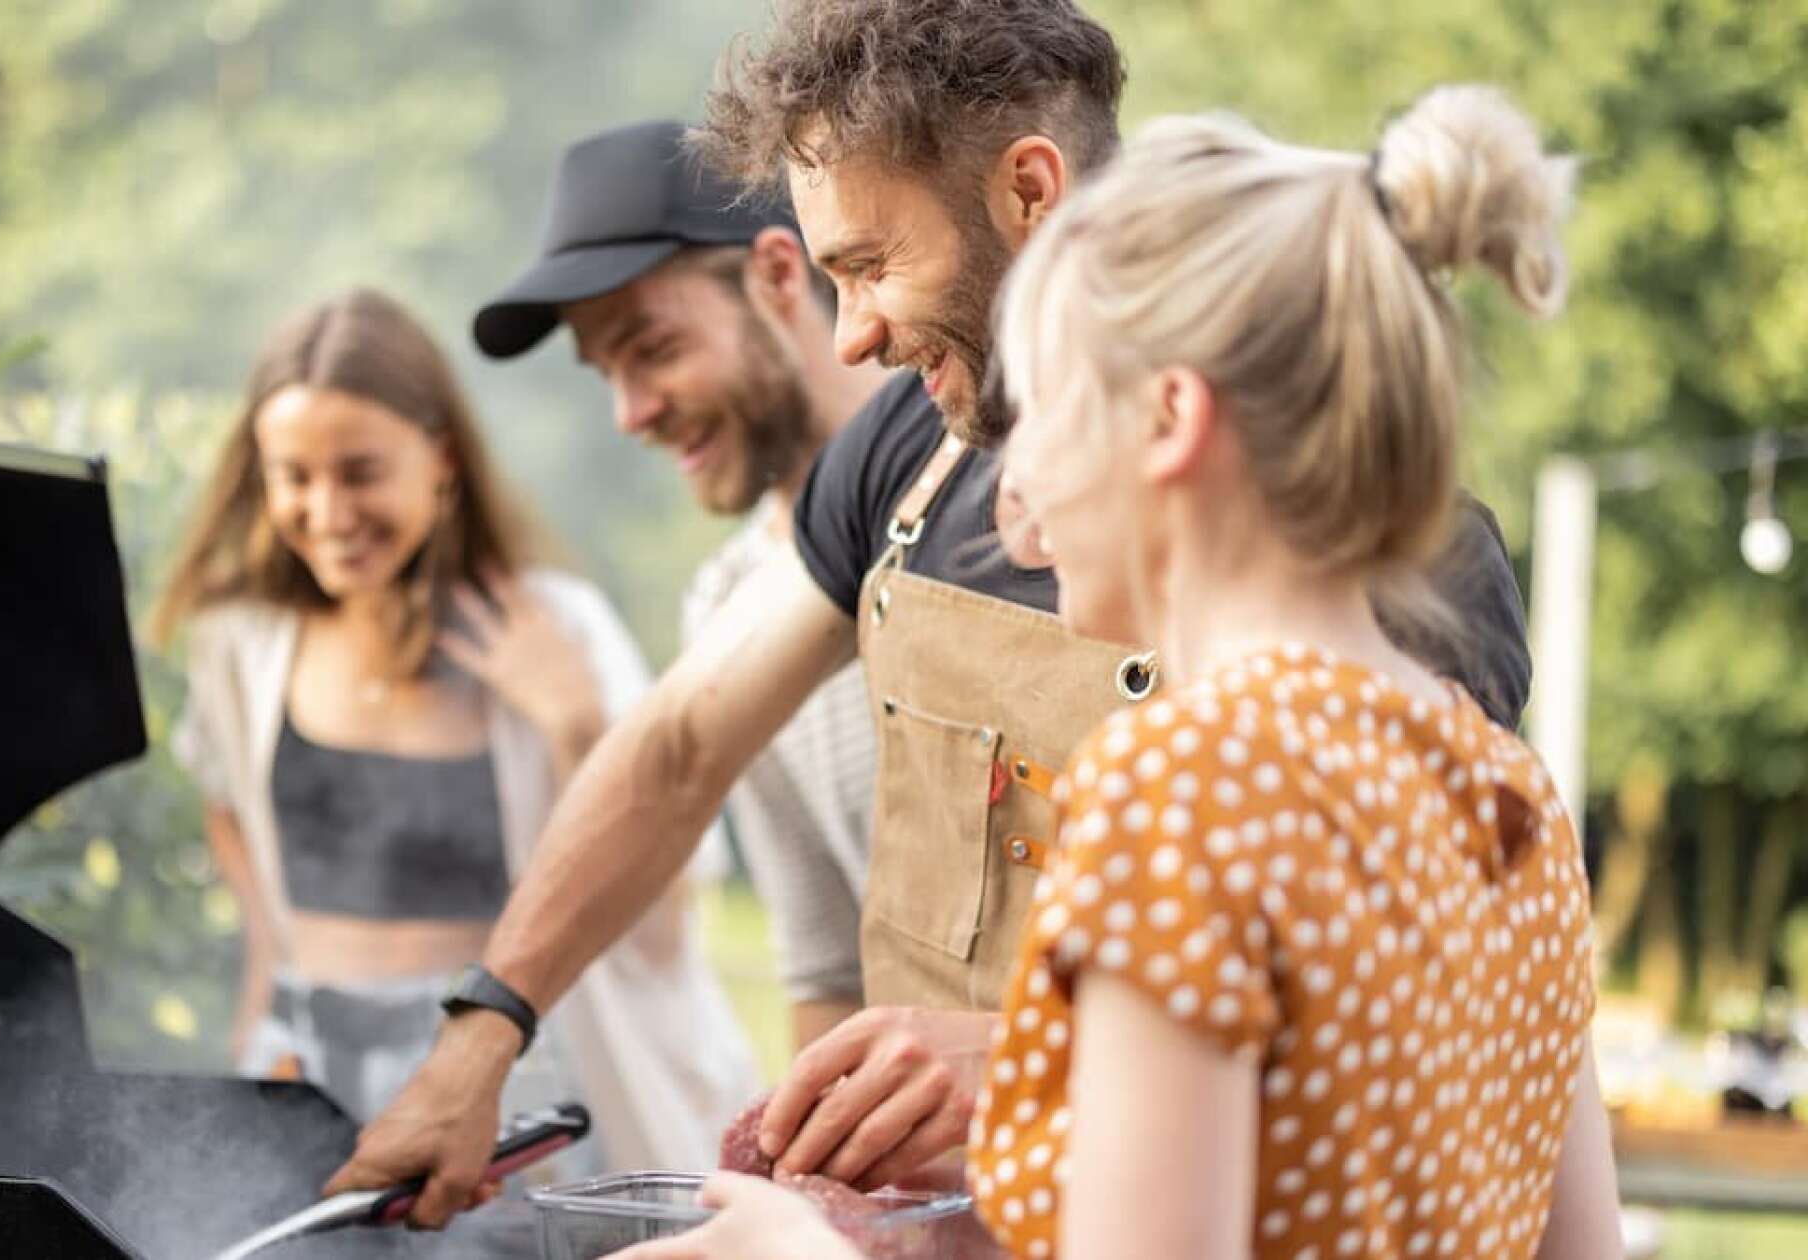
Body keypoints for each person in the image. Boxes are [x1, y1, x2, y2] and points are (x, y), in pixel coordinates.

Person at [325, 0, 1533, 1226]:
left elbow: (1402, 1057)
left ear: (1028, 190)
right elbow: (680, 749)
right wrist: (479, 1040)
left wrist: (1022, 1070)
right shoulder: (904, 450)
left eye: (866, 265)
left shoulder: (1392, 583)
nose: (848, 339)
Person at [604, 84, 1624, 1260]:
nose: (1013, 494)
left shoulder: (1179, 789)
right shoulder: (1504, 795)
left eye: (1040, 412)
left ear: (1168, 422)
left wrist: (794, 1252)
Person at [151, 288, 754, 1171]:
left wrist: (577, 722)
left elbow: (667, 906)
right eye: (294, 476)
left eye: (359, 472)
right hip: (300, 1069)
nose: (328, 511)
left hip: (499, 1078)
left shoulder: (558, 626)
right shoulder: (243, 644)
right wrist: (261, 983)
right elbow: (229, 809)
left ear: (440, 458)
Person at [472, 119, 890, 1049]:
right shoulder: (723, 604)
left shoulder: (986, 496)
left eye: (652, 348)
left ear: (780, 276)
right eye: (606, 373)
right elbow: (827, 970)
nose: (630, 413)